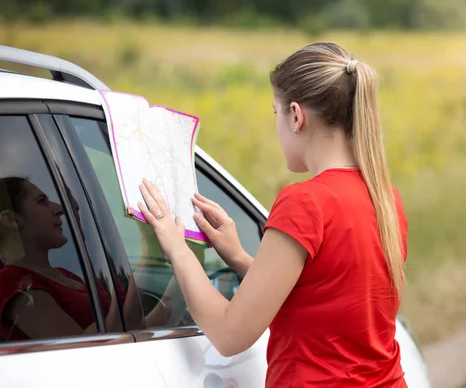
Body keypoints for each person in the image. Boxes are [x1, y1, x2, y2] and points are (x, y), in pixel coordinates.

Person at [138, 42, 409, 387]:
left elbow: (228, 334)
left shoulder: (305, 202)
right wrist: (238, 257)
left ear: (296, 116)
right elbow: (322, 296)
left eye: (275, 113)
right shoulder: (386, 199)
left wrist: (176, 248)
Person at [0, 176, 174, 341]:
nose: (59, 208)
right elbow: (89, 349)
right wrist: (148, 254)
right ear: (11, 219)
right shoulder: (11, 284)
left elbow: (134, 329)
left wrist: (180, 273)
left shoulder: (65, 275)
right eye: (41, 201)